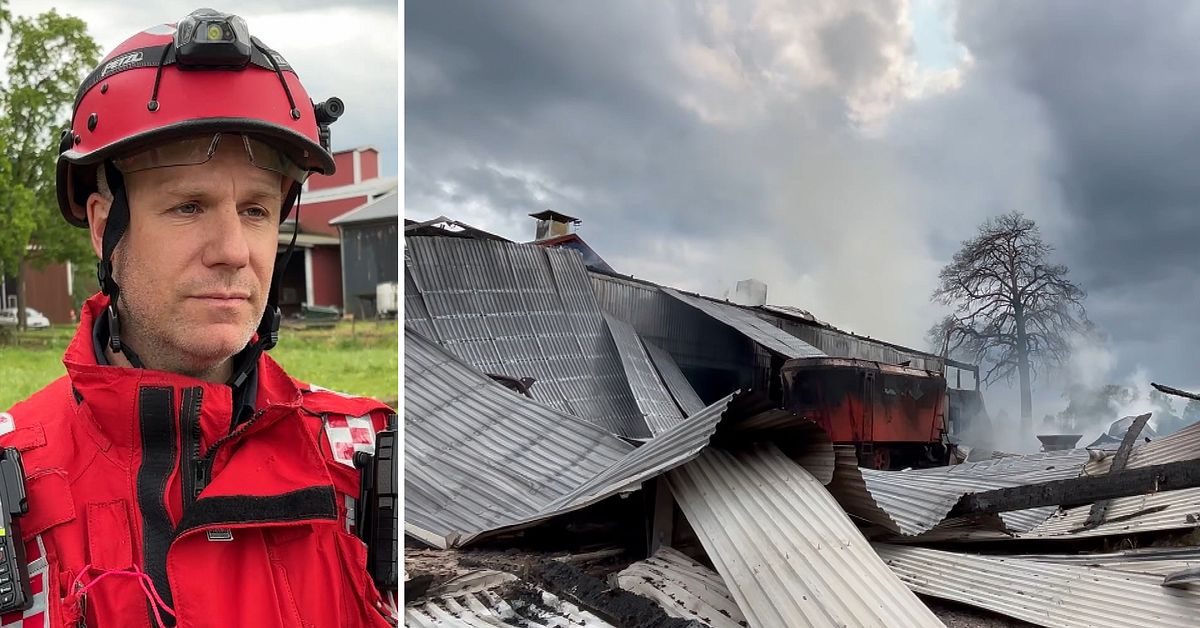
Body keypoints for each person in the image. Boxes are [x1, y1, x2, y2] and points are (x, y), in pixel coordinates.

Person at [1, 8, 395, 628]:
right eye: (189, 206)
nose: (234, 251)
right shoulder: (10, 481)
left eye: (257, 210)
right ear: (107, 229)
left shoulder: (370, 460)